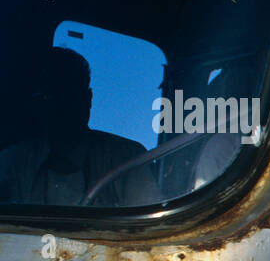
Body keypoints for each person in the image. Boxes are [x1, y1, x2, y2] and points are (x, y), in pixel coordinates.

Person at [0, 47, 160, 207]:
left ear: (88, 98)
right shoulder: (13, 162)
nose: (61, 106)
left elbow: (150, 226)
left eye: (70, 95)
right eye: (50, 96)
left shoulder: (126, 158)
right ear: (37, 103)